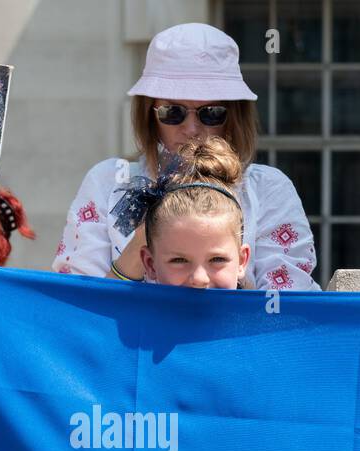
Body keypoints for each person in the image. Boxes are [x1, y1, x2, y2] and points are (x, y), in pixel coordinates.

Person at [53, 22, 318, 291]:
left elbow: (286, 309)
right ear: (150, 115)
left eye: (211, 112)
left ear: (234, 117)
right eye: (173, 112)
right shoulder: (110, 181)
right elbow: (79, 307)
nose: (191, 129)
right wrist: (142, 241)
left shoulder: (266, 188)